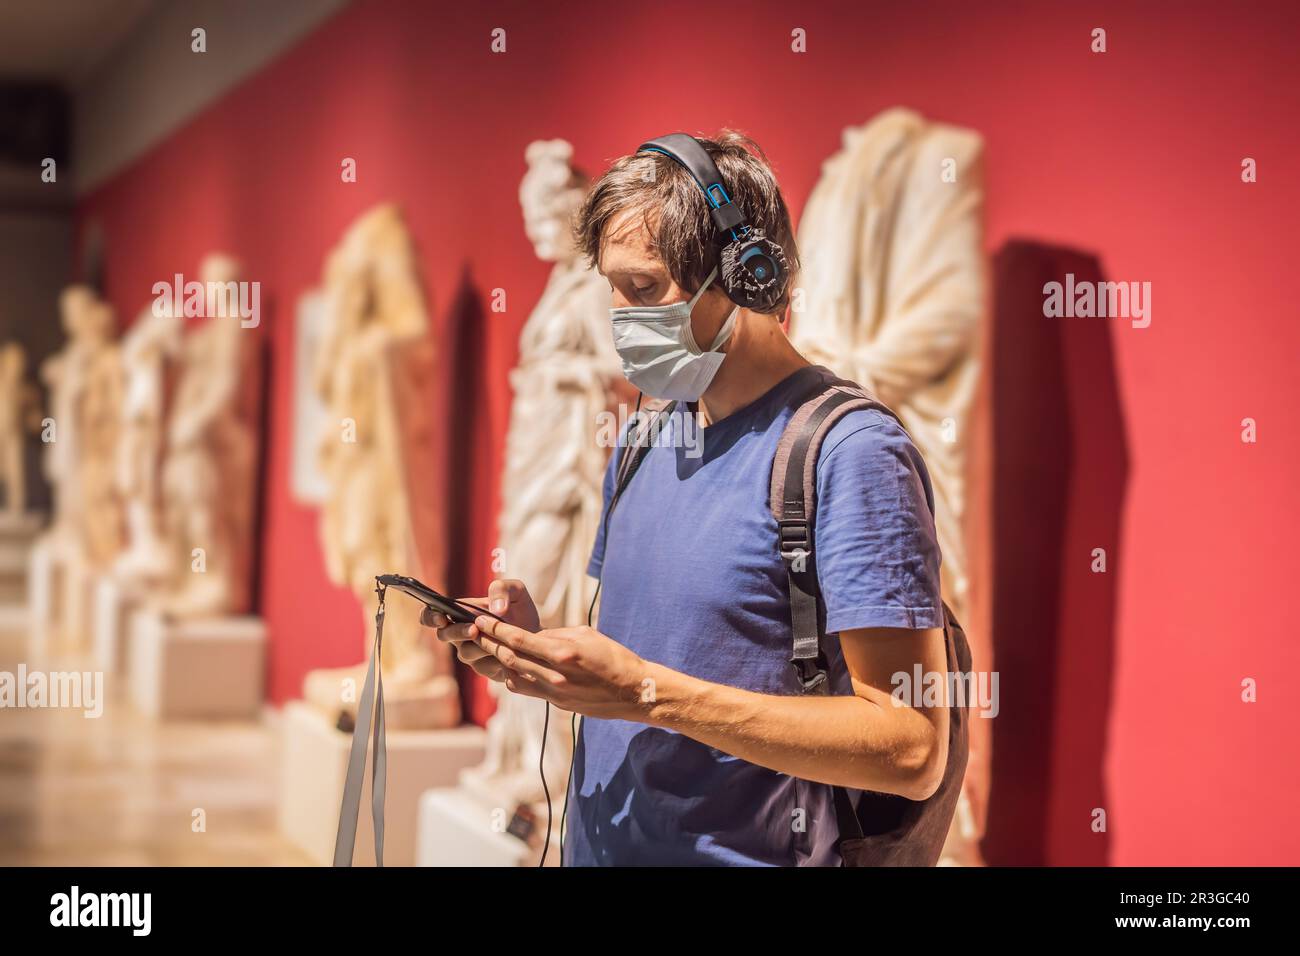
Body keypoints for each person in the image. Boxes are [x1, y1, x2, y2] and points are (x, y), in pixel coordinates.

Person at [426, 132, 957, 866]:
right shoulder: (644, 436)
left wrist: (646, 692)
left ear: (748, 276)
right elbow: (653, 646)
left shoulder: (850, 454)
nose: (619, 316)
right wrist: (539, 652)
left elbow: (911, 747)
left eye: (643, 289)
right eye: (611, 287)